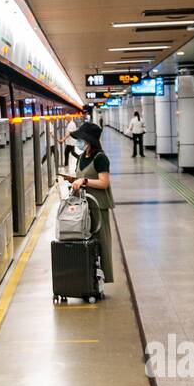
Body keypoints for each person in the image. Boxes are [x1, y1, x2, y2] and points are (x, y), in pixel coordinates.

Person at [69, 121, 115, 290]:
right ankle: (88, 278)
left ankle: (104, 278)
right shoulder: (81, 157)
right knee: (86, 242)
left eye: (80, 139)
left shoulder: (101, 158)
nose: (78, 142)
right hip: (83, 206)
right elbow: (79, 176)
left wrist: (85, 181)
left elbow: (104, 183)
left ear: (89, 140)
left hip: (98, 205)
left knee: (101, 242)